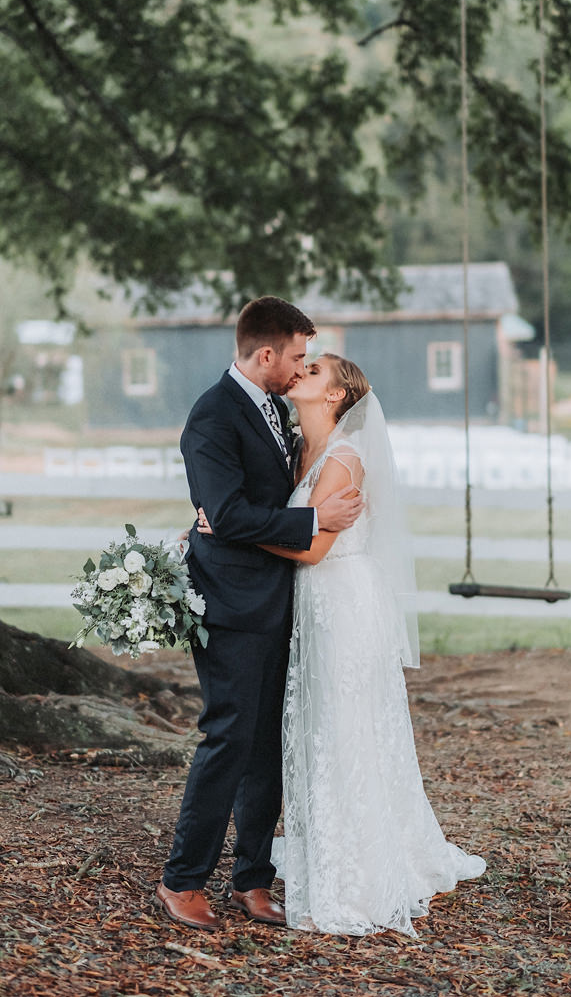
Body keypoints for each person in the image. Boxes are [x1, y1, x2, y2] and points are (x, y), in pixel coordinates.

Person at [254, 354, 485, 935]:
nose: (300, 372)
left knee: (343, 727)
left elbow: (312, 549)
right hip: (315, 605)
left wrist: (233, 531)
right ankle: (331, 842)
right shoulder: (298, 449)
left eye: (314, 371)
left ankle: (357, 873)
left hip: (344, 604)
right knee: (320, 726)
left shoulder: (344, 460)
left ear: (336, 396)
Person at [155, 296, 363, 932]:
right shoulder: (212, 417)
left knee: (268, 746)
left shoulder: (275, 406)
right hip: (231, 606)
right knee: (228, 739)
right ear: (266, 354)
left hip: (280, 602)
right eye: (298, 357)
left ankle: (252, 878)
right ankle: (182, 880)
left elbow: (241, 509)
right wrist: (313, 520)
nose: (301, 368)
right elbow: (227, 514)